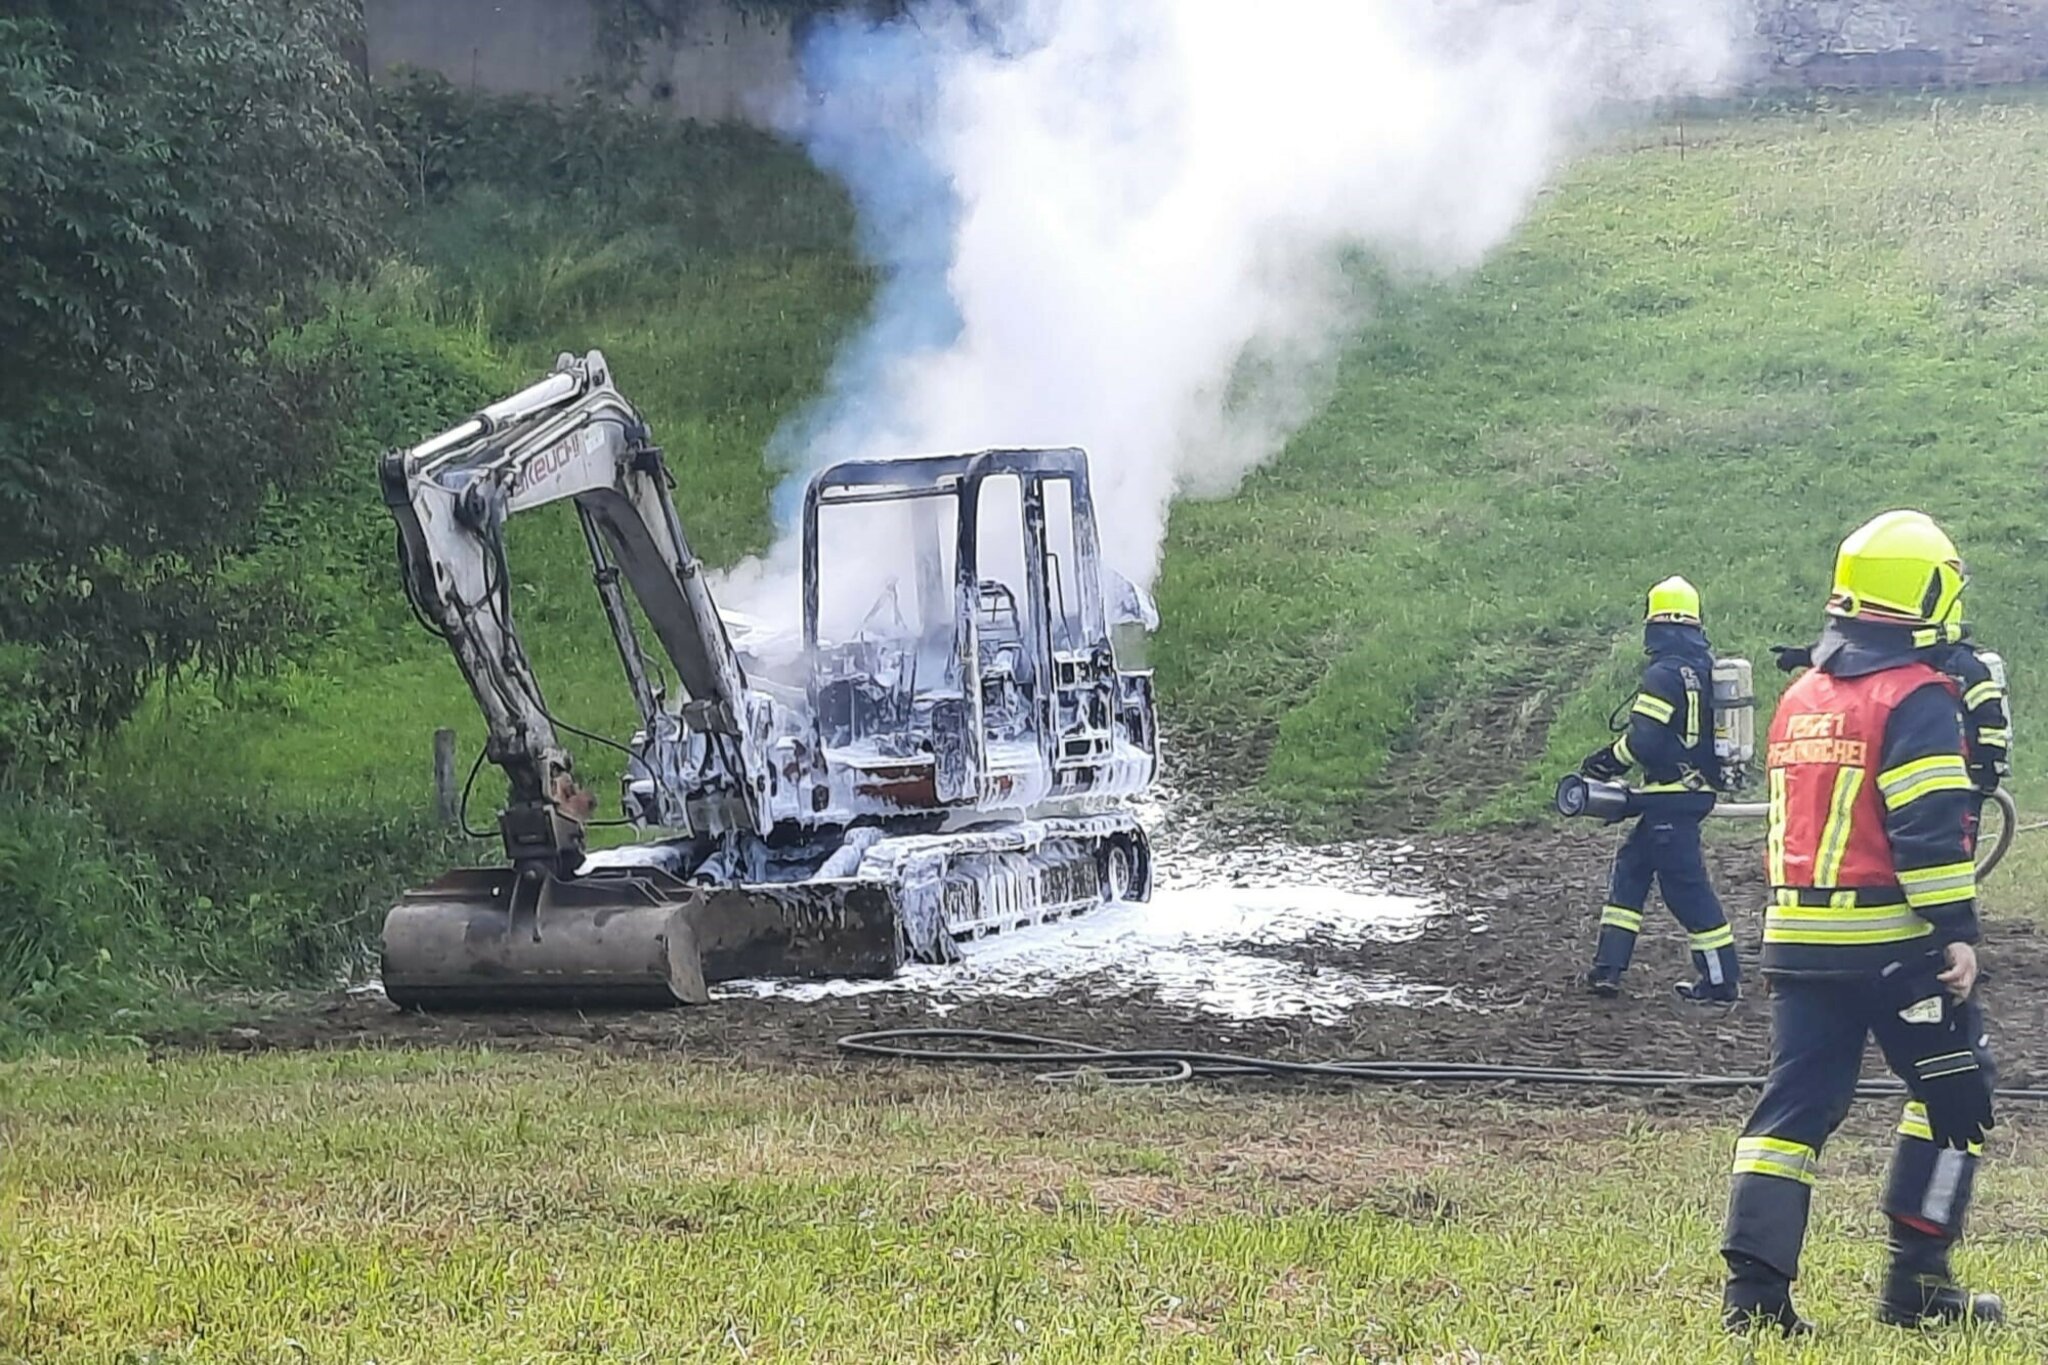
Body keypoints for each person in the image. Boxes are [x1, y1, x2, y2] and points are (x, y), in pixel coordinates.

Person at [1722, 510, 2001, 1336]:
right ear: (1927, 592)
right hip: (1893, 947)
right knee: (1957, 1091)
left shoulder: (1803, 692)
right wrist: (1956, 929)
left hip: (1800, 942)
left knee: (1792, 1115)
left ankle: (1756, 1300)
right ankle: (1918, 1281)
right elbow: (1927, 826)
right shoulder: (1916, 696)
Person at [1580, 576, 1741, 1003]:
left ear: (1654, 623)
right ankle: (1608, 969)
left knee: (1687, 890)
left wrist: (1608, 759)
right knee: (1631, 871)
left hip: (1670, 795)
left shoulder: (1664, 674)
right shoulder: (1708, 670)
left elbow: (1646, 741)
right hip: (1688, 793)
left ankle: (1722, 980)